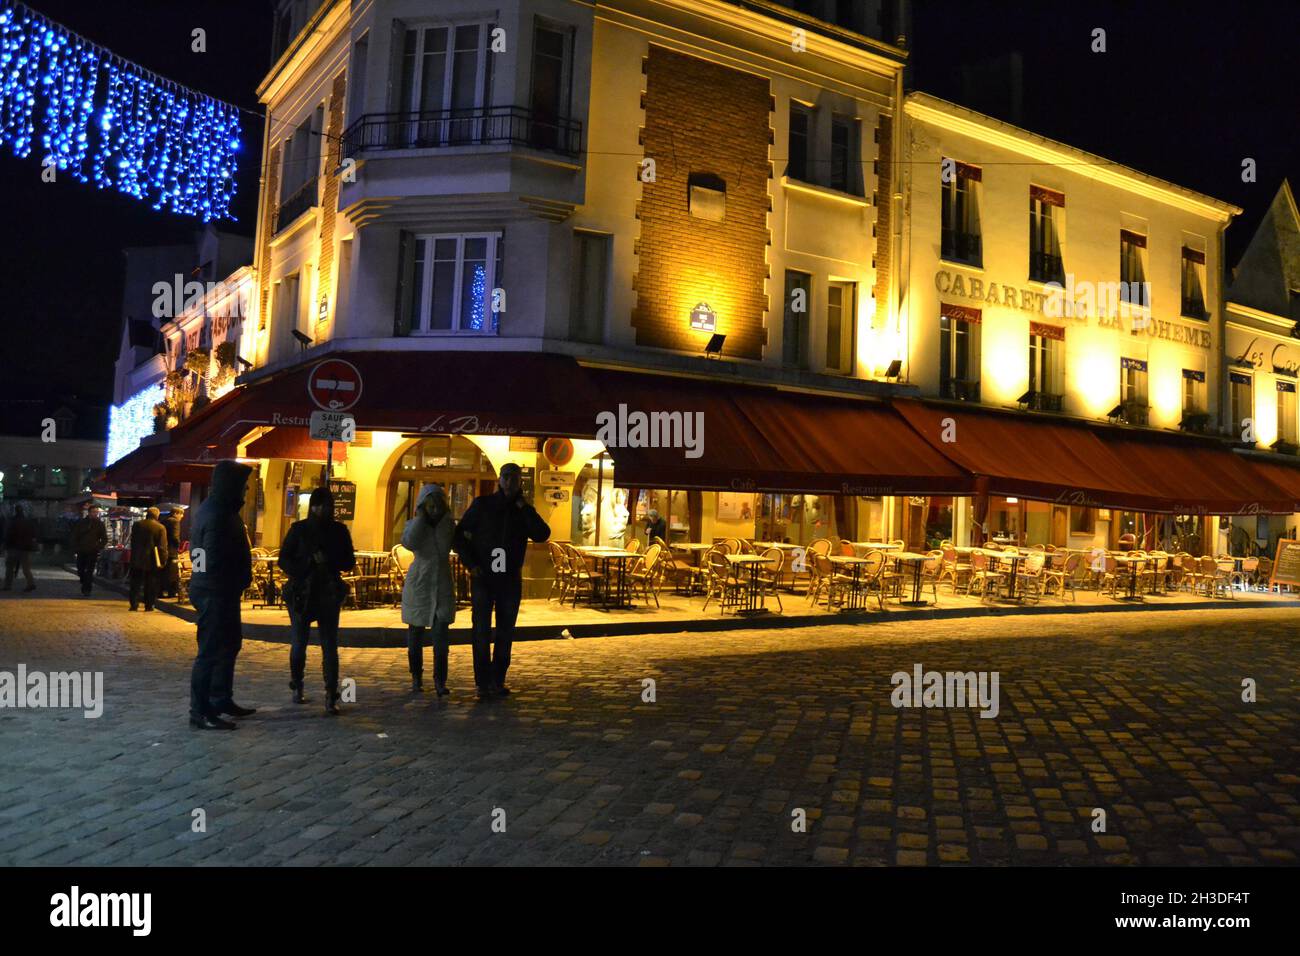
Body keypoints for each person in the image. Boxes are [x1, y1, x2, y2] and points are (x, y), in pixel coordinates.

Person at [453, 463, 550, 699]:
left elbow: (542, 533)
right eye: (506, 477)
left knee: (505, 632)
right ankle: (482, 682)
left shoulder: (522, 510)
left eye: (514, 478)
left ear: (519, 482)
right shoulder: (483, 505)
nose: (509, 482)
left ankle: (498, 680)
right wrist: (471, 564)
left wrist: (524, 507)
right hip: (484, 577)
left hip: (509, 579)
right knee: (481, 631)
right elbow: (459, 536)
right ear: (499, 479)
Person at [188, 460, 255, 731]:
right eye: (243, 485)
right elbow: (211, 556)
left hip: (217, 589)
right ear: (232, 486)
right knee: (210, 651)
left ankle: (219, 698)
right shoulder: (217, 514)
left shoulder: (216, 509)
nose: (246, 490)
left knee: (228, 645)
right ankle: (201, 710)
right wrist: (229, 577)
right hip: (216, 591)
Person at [278, 486, 355, 715]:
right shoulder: (301, 530)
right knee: (304, 642)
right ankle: (301, 685)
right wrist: (308, 565)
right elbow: (284, 560)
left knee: (327, 644)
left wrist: (325, 562)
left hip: (325, 592)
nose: (324, 509)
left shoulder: (337, 531)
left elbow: (348, 561)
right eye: (321, 504)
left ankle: (329, 693)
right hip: (304, 591)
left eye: (327, 504)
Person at [401, 484, 456, 695]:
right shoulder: (413, 525)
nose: (434, 510)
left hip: (441, 583)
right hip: (420, 584)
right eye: (429, 505)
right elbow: (409, 542)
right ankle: (416, 677)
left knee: (441, 638)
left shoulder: (448, 526)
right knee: (415, 635)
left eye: (437, 505)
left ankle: (440, 680)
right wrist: (420, 520)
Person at [128, 507, 168, 611]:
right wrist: (163, 560)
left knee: (135, 583)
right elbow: (162, 547)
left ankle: (134, 604)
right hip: (152, 559)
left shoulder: (137, 525)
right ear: (157, 515)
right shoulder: (160, 527)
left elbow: (133, 541)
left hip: (137, 558)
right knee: (151, 583)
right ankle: (149, 605)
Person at [70, 505, 107, 596]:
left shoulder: (100, 524)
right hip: (81, 550)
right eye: (94, 512)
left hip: (92, 551)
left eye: (96, 512)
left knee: (89, 571)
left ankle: (87, 589)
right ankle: (83, 581)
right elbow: (75, 535)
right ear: (89, 512)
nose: (95, 514)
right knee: (80, 569)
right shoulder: (81, 523)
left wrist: (98, 547)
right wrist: (76, 547)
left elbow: (104, 538)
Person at [2, 504, 39, 592]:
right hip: (25, 548)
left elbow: (8, 535)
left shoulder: (12, 521)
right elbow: (33, 534)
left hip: (13, 547)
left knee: (10, 567)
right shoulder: (28, 522)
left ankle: (8, 585)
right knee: (26, 568)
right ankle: (31, 583)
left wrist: (5, 546)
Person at [161, 506, 185, 598]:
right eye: (181, 514)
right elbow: (175, 537)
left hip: (164, 550)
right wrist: (178, 547)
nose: (182, 516)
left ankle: (162, 591)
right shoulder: (175, 522)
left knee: (164, 572)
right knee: (172, 573)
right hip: (172, 551)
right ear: (175, 513)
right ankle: (172, 592)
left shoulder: (164, 520)